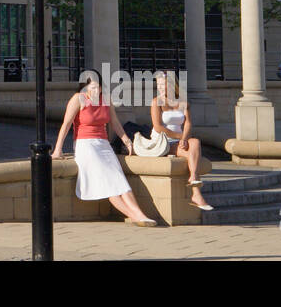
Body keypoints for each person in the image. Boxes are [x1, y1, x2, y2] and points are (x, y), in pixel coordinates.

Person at [53, 71, 157, 226]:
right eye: (92, 87)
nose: (96, 91)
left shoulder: (106, 100)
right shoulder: (78, 99)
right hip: (86, 144)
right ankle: (134, 217)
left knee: (119, 179)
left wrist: (127, 141)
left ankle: (140, 214)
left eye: (98, 87)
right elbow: (66, 124)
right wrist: (57, 150)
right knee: (109, 183)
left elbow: (115, 123)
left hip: (103, 144)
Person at [151, 72, 212, 211]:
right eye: (158, 84)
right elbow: (158, 127)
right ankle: (196, 192)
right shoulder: (156, 102)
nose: (159, 87)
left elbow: (188, 124)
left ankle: (194, 178)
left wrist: (184, 138)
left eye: (163, 84)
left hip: (179, 139)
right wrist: (180, 138)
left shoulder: (183, 102)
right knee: (192, 152)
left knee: (195, 142)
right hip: (163, 141)